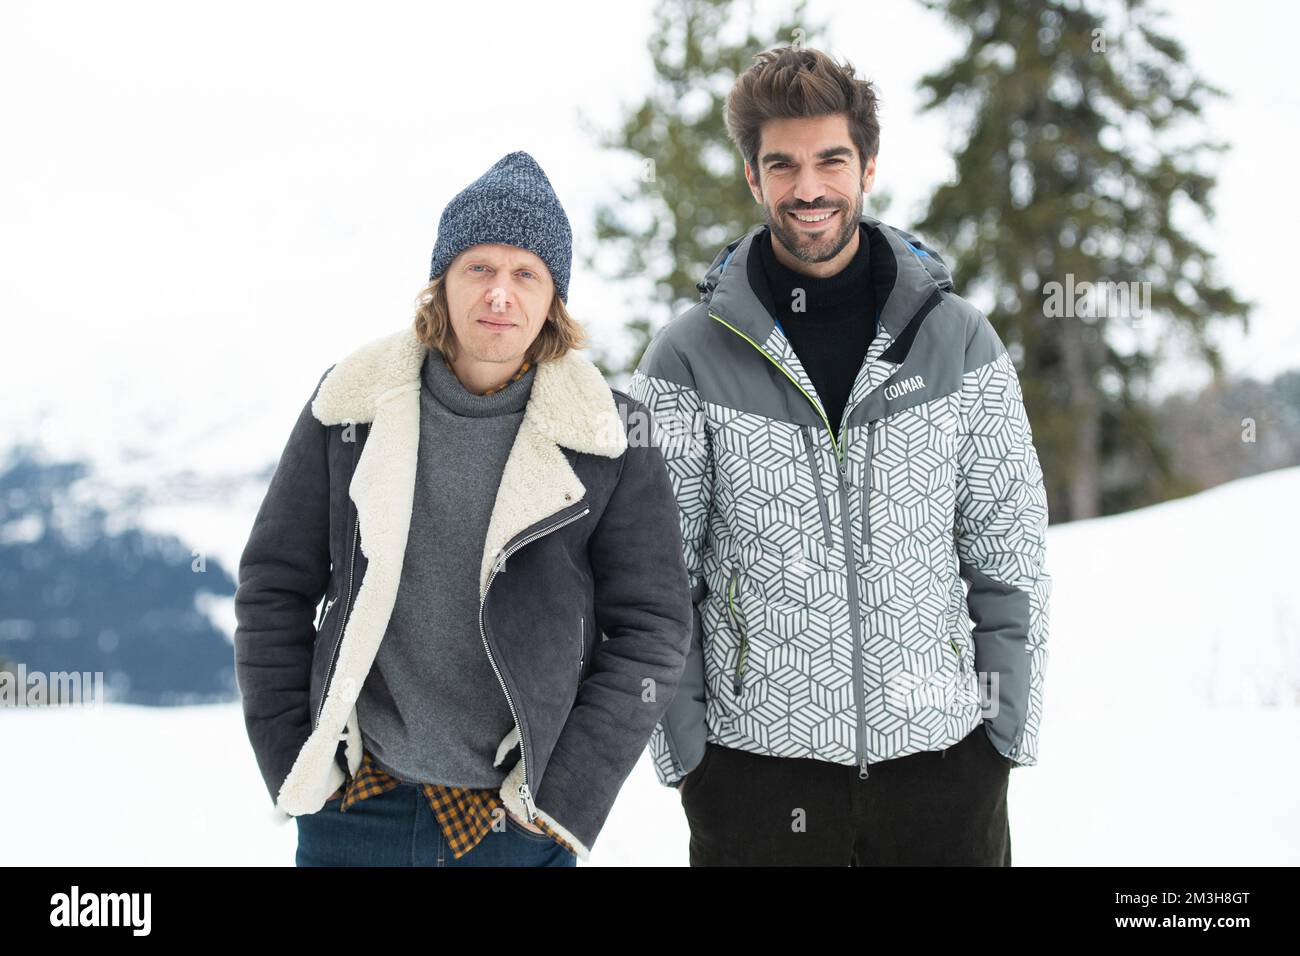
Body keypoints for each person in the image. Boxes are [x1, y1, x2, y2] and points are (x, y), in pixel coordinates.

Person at [628, 46, 1052, 866]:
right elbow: (654, 577)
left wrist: (1001, 740)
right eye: (782, 165)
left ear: (867, 167)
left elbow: (1010, 552)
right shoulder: (685, 359)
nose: (809, 188)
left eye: (831, 159)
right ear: (754, 179)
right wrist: (692, 761)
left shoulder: (956, 338)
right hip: (756, 780)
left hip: (945, 771)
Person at [234, 151, 693, 866]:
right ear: (442, 283)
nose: (500, 294)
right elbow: (273, 586)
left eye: (525, 274)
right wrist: (295, 757)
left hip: (512, 829)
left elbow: (654, 629)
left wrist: (565, 794)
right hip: (353, 809)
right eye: (479, 268)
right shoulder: (352, 402)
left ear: (553, 298)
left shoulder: (612, 435)